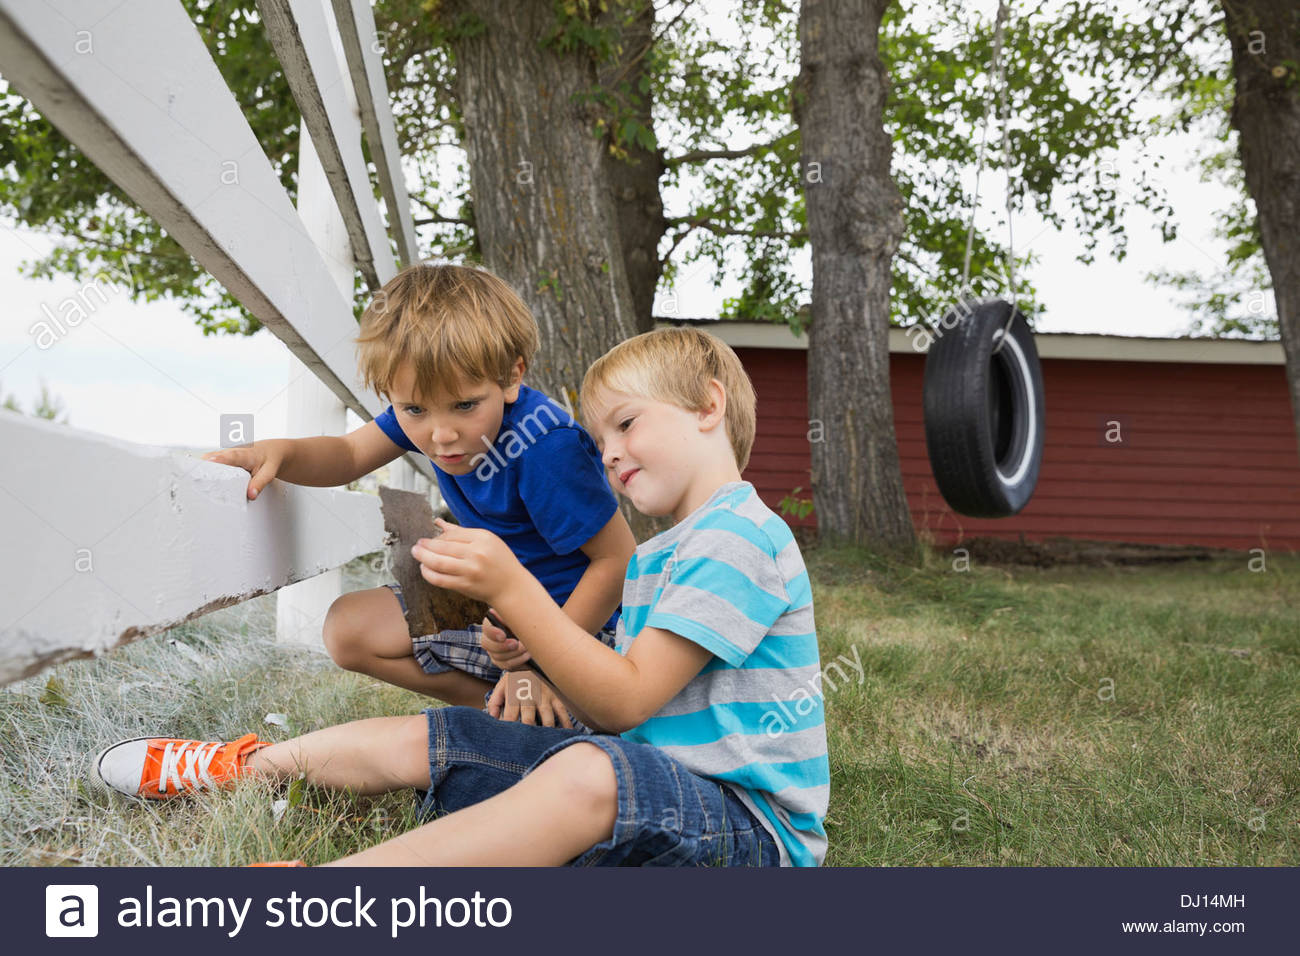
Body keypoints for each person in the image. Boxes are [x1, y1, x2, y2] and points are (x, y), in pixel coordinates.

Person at [92, 327, 830, 867]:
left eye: (627, 424)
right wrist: (524, 652)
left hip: (746, 834)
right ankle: (243, 766)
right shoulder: (674, 547)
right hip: (652, 790)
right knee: (456, 735)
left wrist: (514, 589)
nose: (607, 453)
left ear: (709, 405)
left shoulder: (739, 536)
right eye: (601, 436)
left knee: (588, 770)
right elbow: (620, 712)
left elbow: (628, 702)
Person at [200, 263, 634, 726]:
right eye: (414, 409)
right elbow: (348, 454)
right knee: (349, 628)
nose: (441, 434)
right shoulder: (430, 404)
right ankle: (498, 714)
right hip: (493, 609)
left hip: (580, 621)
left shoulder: (545, 447)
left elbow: (617, 561)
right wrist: (281, 452)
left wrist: (542, 665)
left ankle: (552, 705)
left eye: (465, 405)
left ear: (511, 378)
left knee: (598, 713)